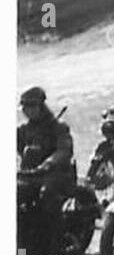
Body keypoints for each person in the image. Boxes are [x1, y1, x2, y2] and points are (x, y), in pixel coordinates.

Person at [17, 86, 75, 222]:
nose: (27, 111)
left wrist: (49, 162)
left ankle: (55, 237)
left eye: (32, 107)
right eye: (25, 107)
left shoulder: (58, 127)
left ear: (41, 107)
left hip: (57, 174)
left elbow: (64, 150)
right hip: (31, 174)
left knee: (47, 196)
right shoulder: (24, 130)